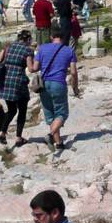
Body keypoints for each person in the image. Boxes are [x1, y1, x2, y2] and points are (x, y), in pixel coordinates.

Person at [31, 26, 80, 154]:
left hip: (44, 84)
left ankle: (58, 143)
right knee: (62, 113)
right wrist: (75, 87)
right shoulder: (69, 51)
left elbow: (35, 68)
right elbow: (74, 72)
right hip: (59, 83)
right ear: (63, 38)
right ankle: (51, 135)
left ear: (51, 37)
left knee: (50, 113)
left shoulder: (42, 48)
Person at [0, 30, 35, 146]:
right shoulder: (28, 50)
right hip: (19, 83)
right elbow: (30, 69)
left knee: (11, 110)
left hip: (6, 82)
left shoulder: (9, 47)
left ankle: (1, 133)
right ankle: (18, 137)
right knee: (22, 110)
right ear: (28, 39)